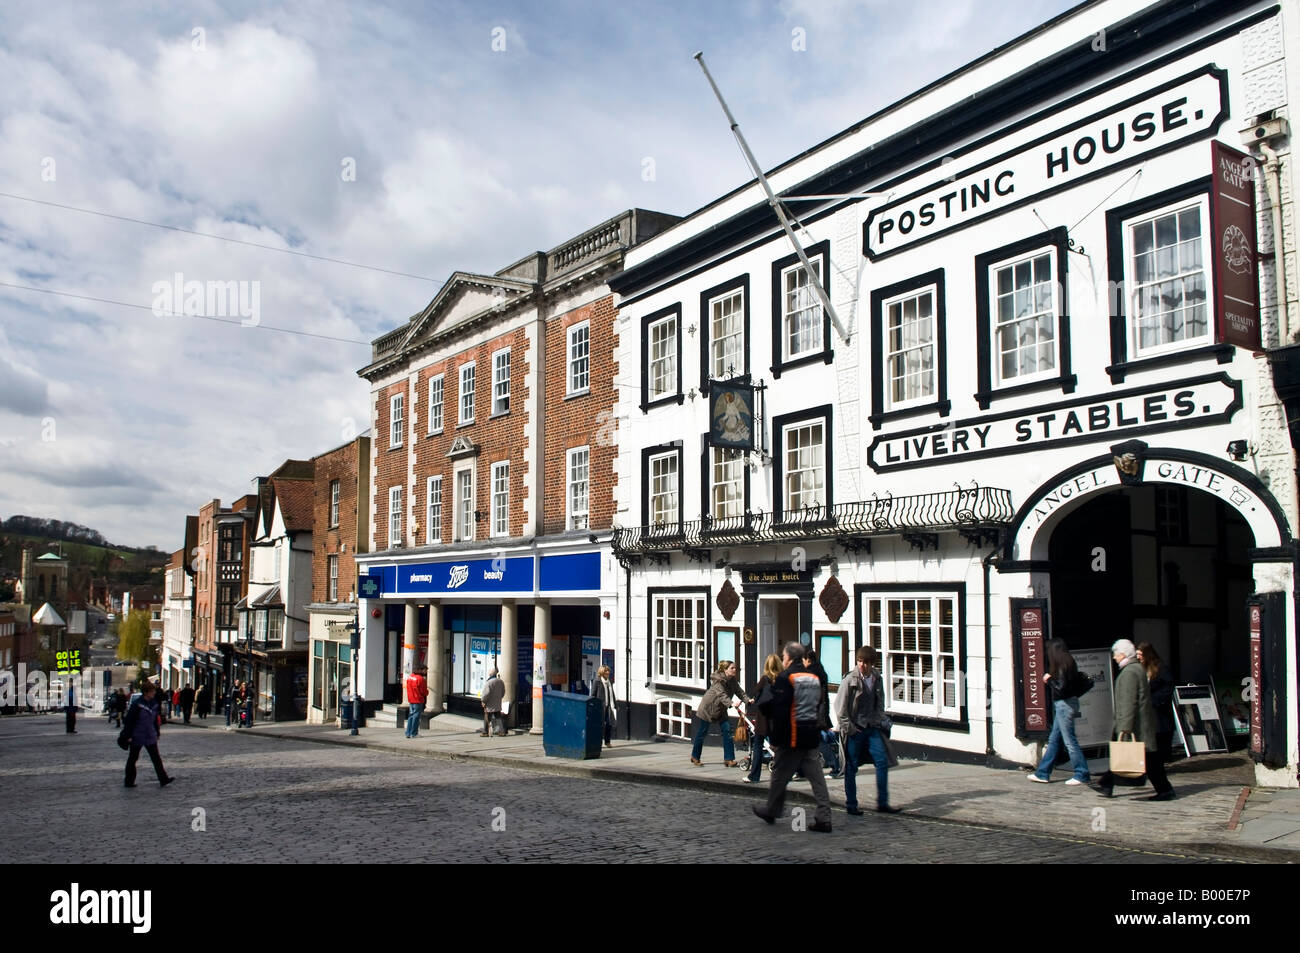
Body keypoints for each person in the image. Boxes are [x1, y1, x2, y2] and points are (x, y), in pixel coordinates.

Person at [752, 642, 832, 832]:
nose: (783, 659)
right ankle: (824, 817)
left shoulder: (786, 677)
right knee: (817, 779)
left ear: (789, 657)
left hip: (792, 735)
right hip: (810, 733)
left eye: (784, 656)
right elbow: (820, 702)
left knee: (779, 775)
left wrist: (776, 740)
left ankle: (772, 810)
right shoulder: (813, 677)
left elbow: (781, 710)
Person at [1094, 639, 1174, 801]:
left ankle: (1164, 789)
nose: (1114, 657)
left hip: (1135, 725)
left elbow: (1128, 702)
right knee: (1148, 759)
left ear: (1122, 654)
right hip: (1140, 724)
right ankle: (1106, 783)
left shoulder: (1129, 672)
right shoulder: (1137, 669)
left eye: (1116, 654)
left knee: (1146, 759)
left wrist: (1124, 728)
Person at [836, 646, 902, 815]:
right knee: (851, 766)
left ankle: (882, 802)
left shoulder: (876, 678)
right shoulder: (849, 680)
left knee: (882, 761)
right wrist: (849, 729)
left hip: (872, 727)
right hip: (855, 729)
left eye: (866, 662)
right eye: (860, 661)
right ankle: (851, 804)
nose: (862, 665)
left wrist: (881, 720)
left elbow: (879, 703)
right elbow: (840, 709)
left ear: (872, 664)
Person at [1027, 639, 1091, 785]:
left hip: (1064, 705)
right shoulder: (1069, 663)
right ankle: (1043, 773)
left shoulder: (1062, 666)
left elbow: (1060, 688)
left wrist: (1049, 680)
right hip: (1066, 704)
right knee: (1054, 740)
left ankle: (1082, 773)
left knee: (1069, 741)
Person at [690, 660, 747, 767]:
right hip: (708, 709)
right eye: (732, 668)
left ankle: (729, 759)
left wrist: (748, 700)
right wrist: (731, 703)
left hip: (721, 709)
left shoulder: (732, 680)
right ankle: (695, 756)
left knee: (727, 731)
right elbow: (722, 695)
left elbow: (739, 691)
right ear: (725, 670)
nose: (735, 670)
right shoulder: (718, 681)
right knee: (702, 732)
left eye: (735, 668)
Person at [122, 682, 174, 788]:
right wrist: (128, 736)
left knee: (156, 758)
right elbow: (129, 721)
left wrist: (157, 732)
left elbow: (155, 720)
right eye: (152, 691)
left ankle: (163, 779)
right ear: (146, 692)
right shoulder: (137, 705)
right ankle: (129, 781)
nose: (154, 693)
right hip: (137, 735)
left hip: (150, 735)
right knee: (133, 758)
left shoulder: (154, 703)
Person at [1138, 641, 1176, 773]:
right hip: (1146, 712)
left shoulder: (1160, 668)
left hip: (1158, 712)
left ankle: (1157, 765)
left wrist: (1155, 700)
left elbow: (1168, 686)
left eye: (1140, 654)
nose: (1138, 657)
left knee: (1159, 739)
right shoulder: (1141, 669)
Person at [744, 654, 782, 783]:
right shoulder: (783, 680)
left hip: (763, 717)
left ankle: (754, 776)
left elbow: (754, 692)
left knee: (758, 745)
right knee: (779, 746)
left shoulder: (765, 679)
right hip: (777, 717)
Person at [591, 665, 617, 747]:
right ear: (602, 672)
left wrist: (615, 704)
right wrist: (594, 705)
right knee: (600, 725)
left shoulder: (609, 682)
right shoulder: (597, 681)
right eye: (606, 671)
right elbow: (593, 694)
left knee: (609, 724)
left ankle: (607, 741)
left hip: (608, 706)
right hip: (600, 707)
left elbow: (612, 693)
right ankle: (598, 741)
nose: (608, 672)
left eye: (608, 671)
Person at [404, 666, 429, 738]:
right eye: (425, 670)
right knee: (416, 716)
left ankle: (408, 733)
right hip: (418, 699)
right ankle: (414, 733)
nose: (426, 672)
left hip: (411, 699)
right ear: (421, 670)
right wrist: (427, 692)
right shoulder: (420, 679)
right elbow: (424, 691)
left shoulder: (410, 677)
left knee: (411, 716)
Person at [481, 668, 506, 737]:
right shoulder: (500, 681)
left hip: (489, 703)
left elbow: (486, 694)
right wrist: (499, 697)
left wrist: (483, 701)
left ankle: (485, 732)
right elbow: (503, 692)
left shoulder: (489, 682)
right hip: (497, 702)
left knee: (487, 716)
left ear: (490, 674)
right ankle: (501, 731)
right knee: (498, 716)